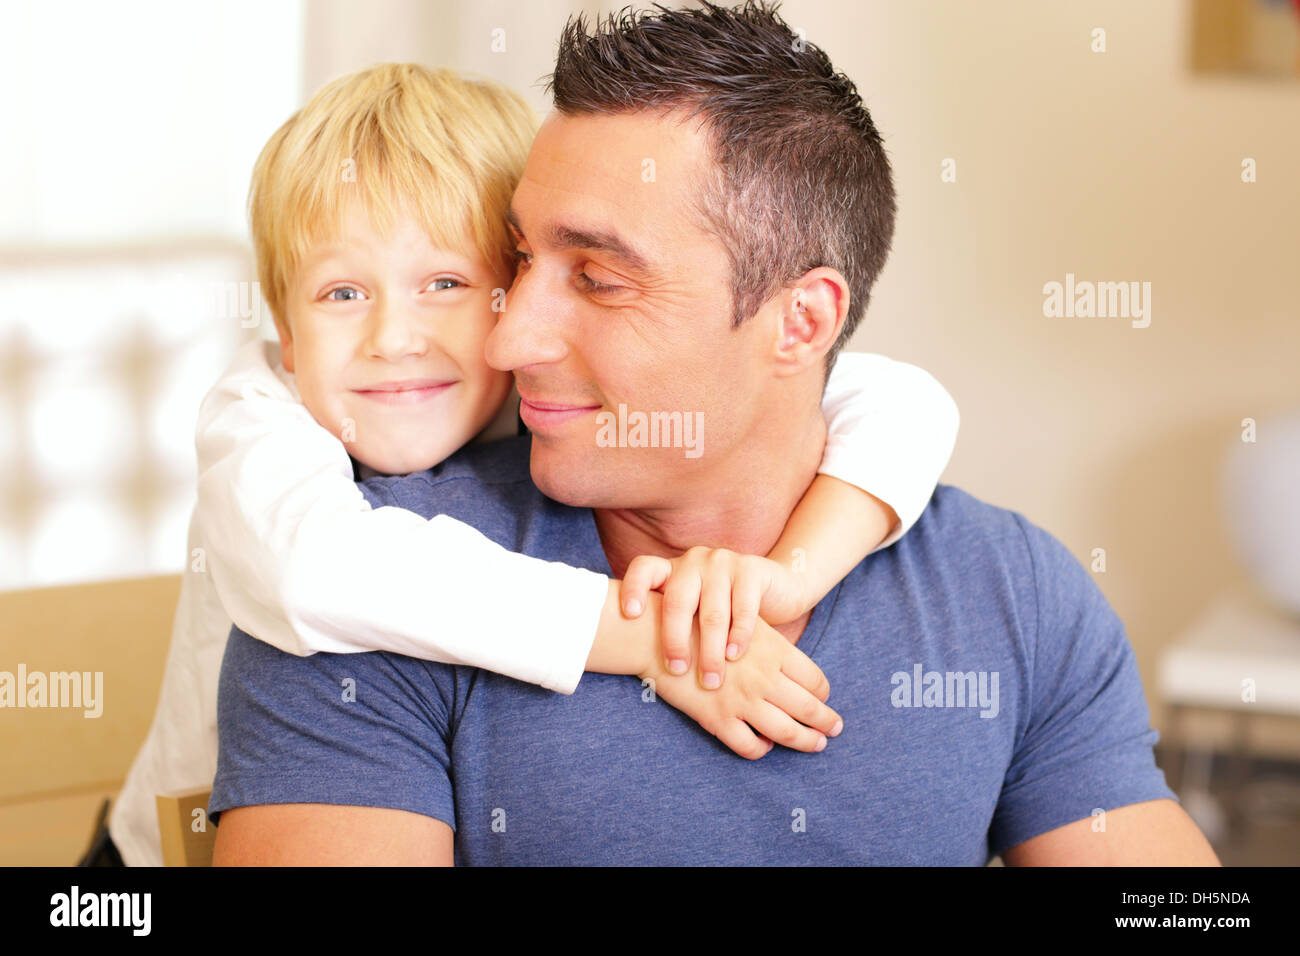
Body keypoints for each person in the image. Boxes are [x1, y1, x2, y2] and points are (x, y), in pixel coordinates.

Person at [209, 1, 1218, 865]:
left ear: (801, 320)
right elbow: (314, 570)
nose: (507, 334)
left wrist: (788, 572)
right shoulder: (382, 593)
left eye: (597, 277)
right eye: (518, 260)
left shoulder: (1011, 591)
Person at [101, 61, 960, 867]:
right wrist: (656, 638)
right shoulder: (259, 416)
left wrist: (790, 576)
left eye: (446, 284)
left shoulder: (530, 388)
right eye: (341, 294)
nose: (394, 339)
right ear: (286, 333)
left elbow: (900, 402)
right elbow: (316, 573)